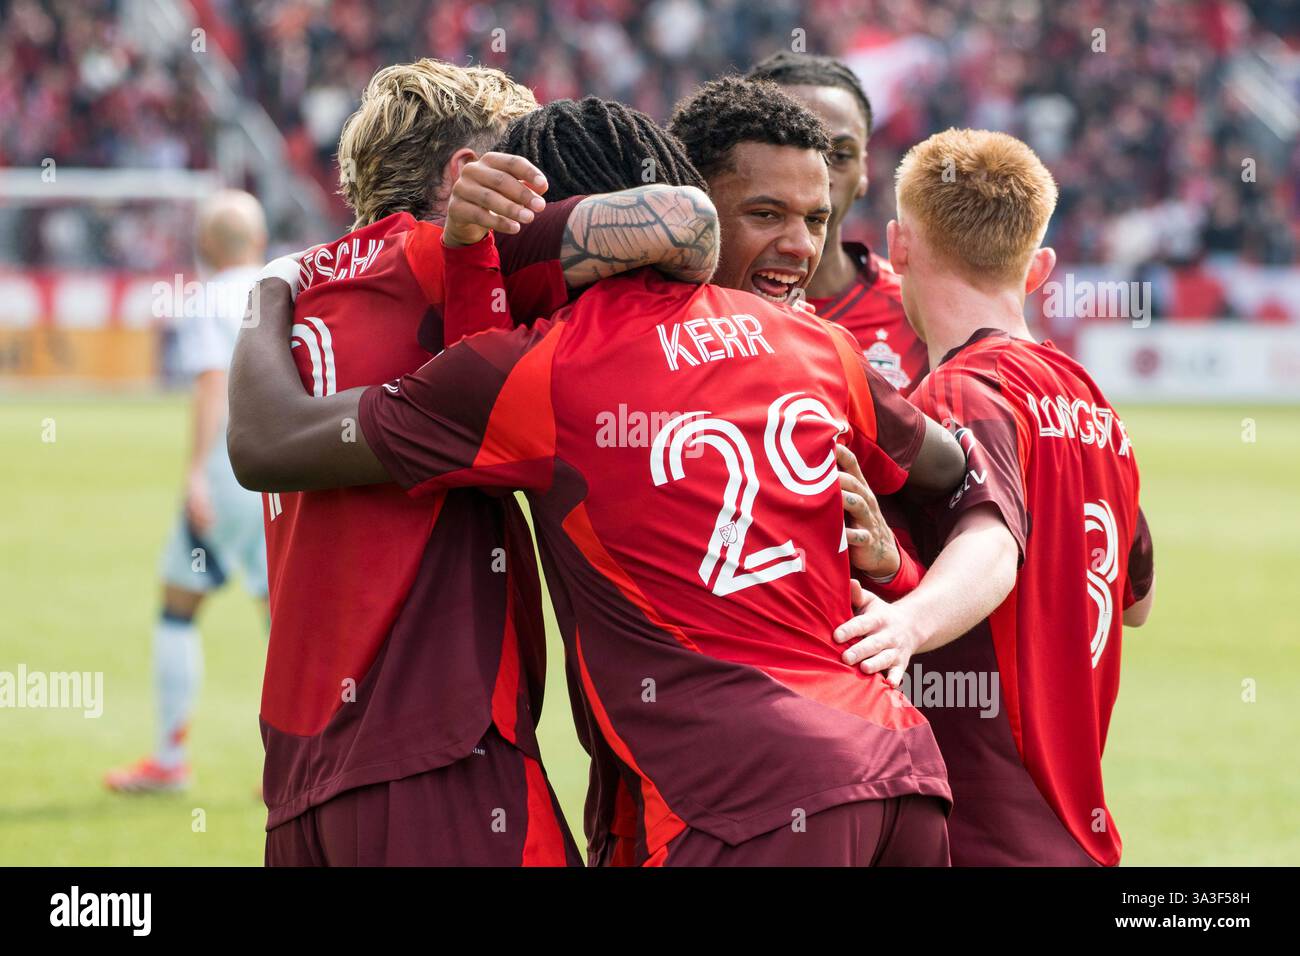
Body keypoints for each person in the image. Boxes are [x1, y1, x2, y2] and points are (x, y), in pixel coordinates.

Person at [228, 84, 968, 867]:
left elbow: (271, 442)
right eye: (769, 216)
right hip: (900, 770)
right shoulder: (814, 341)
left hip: (730, 795)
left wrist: (268, 289)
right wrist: (899, 567)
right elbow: (952, 468)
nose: (799, 245)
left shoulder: (532, 366)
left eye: (813, 221)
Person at [244, 72, 719, 866]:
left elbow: (257, 441)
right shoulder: (461, 253)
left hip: (299, 793)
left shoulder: (307, 286)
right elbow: (684, 218)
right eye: (529, 166)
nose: (548, 186)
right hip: (439, 762)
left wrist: (263, 295)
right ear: (468, 176)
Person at [832, 129, 1156, 866]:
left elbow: (991, 545)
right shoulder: (1093, 402)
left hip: (980, 831)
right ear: (1038, 267)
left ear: (898, 245)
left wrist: (909, 623)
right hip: (1076, 829)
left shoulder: (956, 393)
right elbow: (1137, 601)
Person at [105, 189, 269, 793]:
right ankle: (302, 761)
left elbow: (210, 383)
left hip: (230, 468)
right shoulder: (290, 282)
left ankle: (170, 759)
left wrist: (196, 470)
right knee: (284, 615)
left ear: (205, 244)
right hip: (287, 468)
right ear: (257, 238)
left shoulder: (209, 298)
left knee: (179, 602)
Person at [746, 53, 929, 394]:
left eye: (840, 155)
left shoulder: (919, 311)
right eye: (792, 147)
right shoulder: (691, 302)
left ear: (864, 172)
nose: (820, 173)